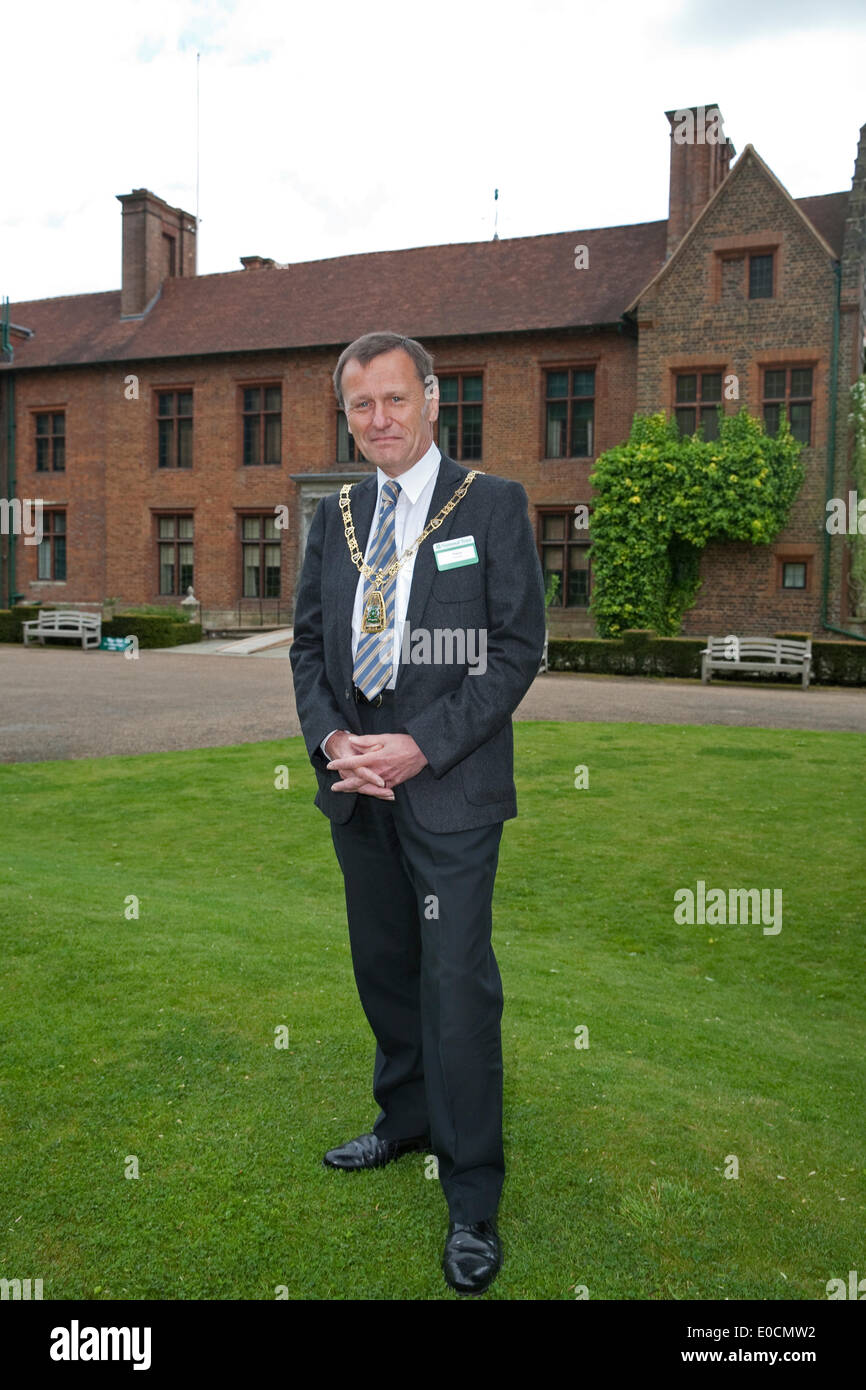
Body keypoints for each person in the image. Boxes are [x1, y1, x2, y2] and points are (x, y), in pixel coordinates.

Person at [289, 331, 545, 1296]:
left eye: (395, 400)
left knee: (455, 982)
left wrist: (421, 743)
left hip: (450, 782)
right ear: (346, 415)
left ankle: (473, 1191)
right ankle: (405, 1121)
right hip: (357, 783)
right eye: (361, 406)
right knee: (385, 966)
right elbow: (310, 648)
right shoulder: (340, 513)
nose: (379, 420)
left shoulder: (493, 503)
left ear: (434, 400)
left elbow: (516, 651)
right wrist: (332, 743)